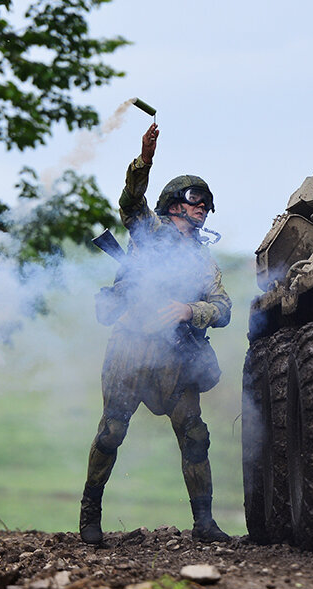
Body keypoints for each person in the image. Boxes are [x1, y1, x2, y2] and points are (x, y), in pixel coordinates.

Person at [80, 123, 232, 544]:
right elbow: (131, 203)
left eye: (206, 203)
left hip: (176, 360)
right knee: (111, 432)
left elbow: (223, 308)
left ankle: (204, 524)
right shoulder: (148, 233)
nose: (202, 207)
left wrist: (190, 309)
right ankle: (89, 518)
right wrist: (143, 161)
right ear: (173, 207)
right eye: (194, 200)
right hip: (131, 347)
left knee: (195, 436)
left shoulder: (204, 264)